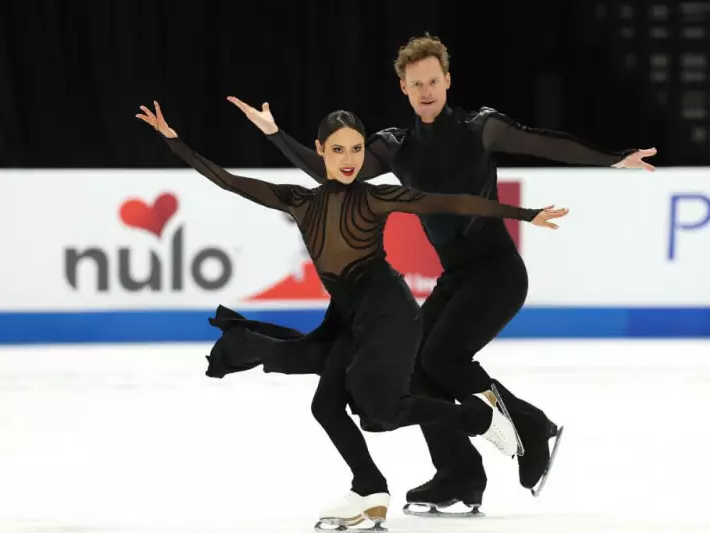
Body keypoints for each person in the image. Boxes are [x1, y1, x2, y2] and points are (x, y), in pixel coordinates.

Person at [226, 33, 656, 515]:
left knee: (444, 359)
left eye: (434, 80)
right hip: (455, 277)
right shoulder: (393, 146)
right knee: (413, 366)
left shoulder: (481, 128)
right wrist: (273, 133)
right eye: (416, 83)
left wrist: (612, 159)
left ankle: (532, 428)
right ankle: (460, 475)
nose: (427, 90)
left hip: (497, 274)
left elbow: (543, 142)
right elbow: (331, 169)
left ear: (447, 82)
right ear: (404, 89)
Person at [136, 101, 569, 530]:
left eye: (357, 149)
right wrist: (174, 140)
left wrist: (525, 214)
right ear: (320, 151)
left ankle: (476, 422)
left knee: (378, 413)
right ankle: (370, 485)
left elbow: (455, 203)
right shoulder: (300, 201)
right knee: (326, 405)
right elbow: (228, 181)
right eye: (338, 150)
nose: (349, 159)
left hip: (389, 314)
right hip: (351, 316)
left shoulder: (377, 197)